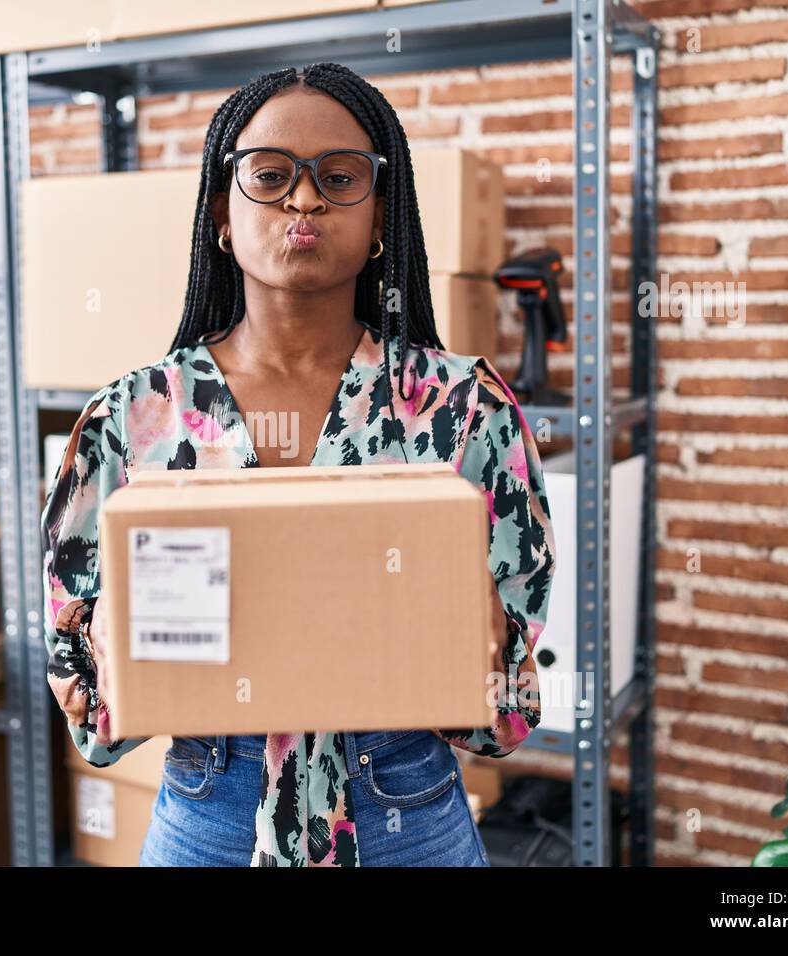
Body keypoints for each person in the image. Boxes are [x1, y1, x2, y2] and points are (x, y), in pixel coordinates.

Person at [41, 62, 555, 867]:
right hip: (212, 811)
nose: (305, 200)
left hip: (405, 813)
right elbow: (80, 680)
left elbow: (508, 701)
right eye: (271, 176)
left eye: (339, 177)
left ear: (382, 213)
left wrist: (474, 647)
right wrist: (115, 652)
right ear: (221, 209)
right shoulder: (136, 418)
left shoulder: (463, 410)